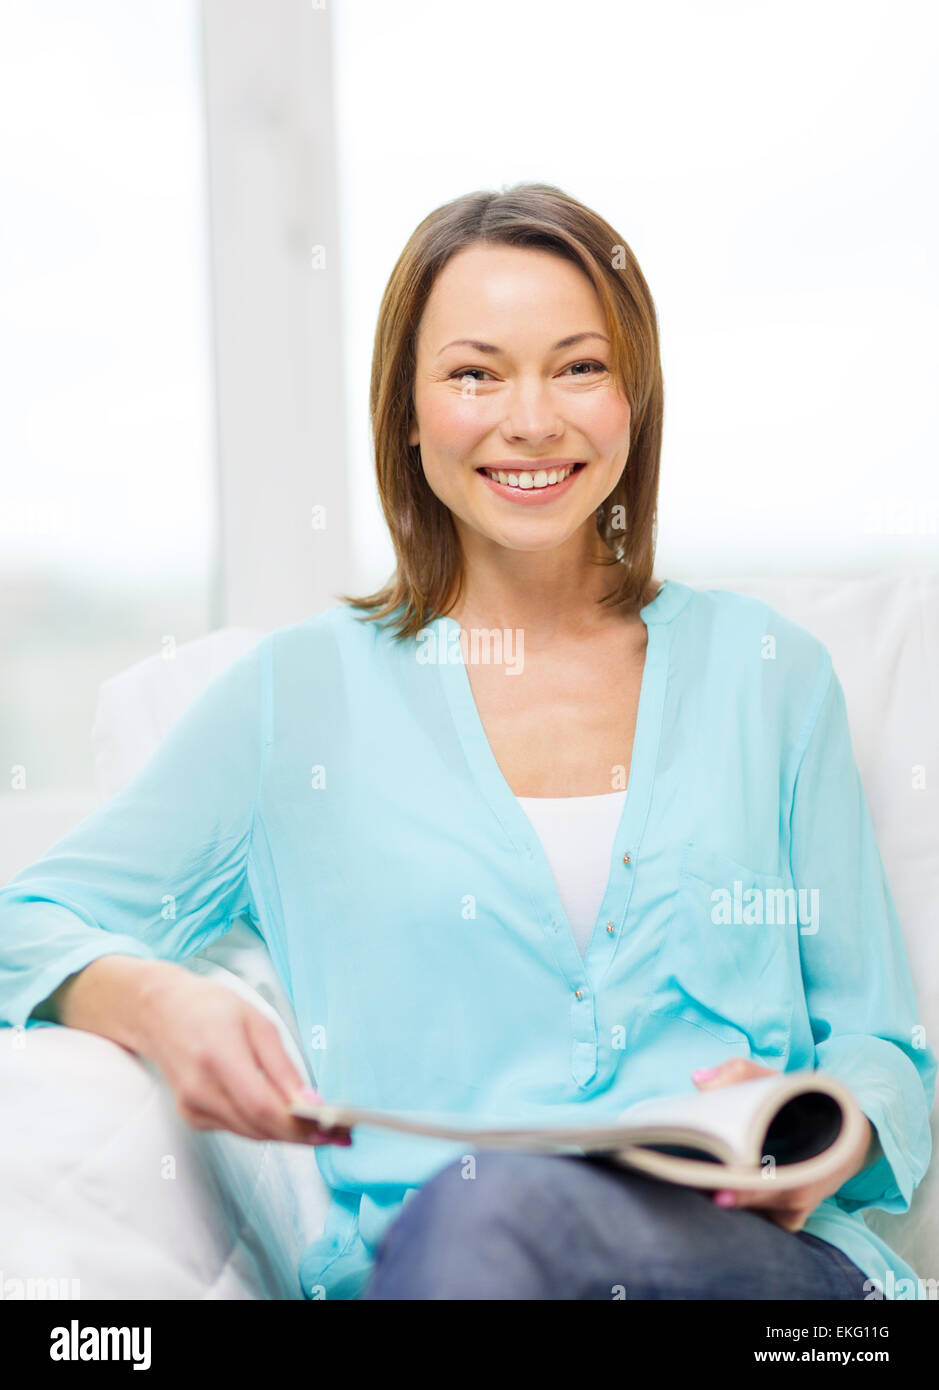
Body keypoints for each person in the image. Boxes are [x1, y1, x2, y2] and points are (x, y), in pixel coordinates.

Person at [0, 183, 933, 1301]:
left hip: (765, 1276)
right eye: (474, 373)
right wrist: (157, 1000)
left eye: (579, 366)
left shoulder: (769, 676)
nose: (531, 418)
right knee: (484, 1212)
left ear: (632, 394)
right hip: (440, 1266)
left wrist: (819, 1137)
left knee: (499, 1210)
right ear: (407, 409)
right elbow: (29, 917)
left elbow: (884, 1048)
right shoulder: (295, 698)